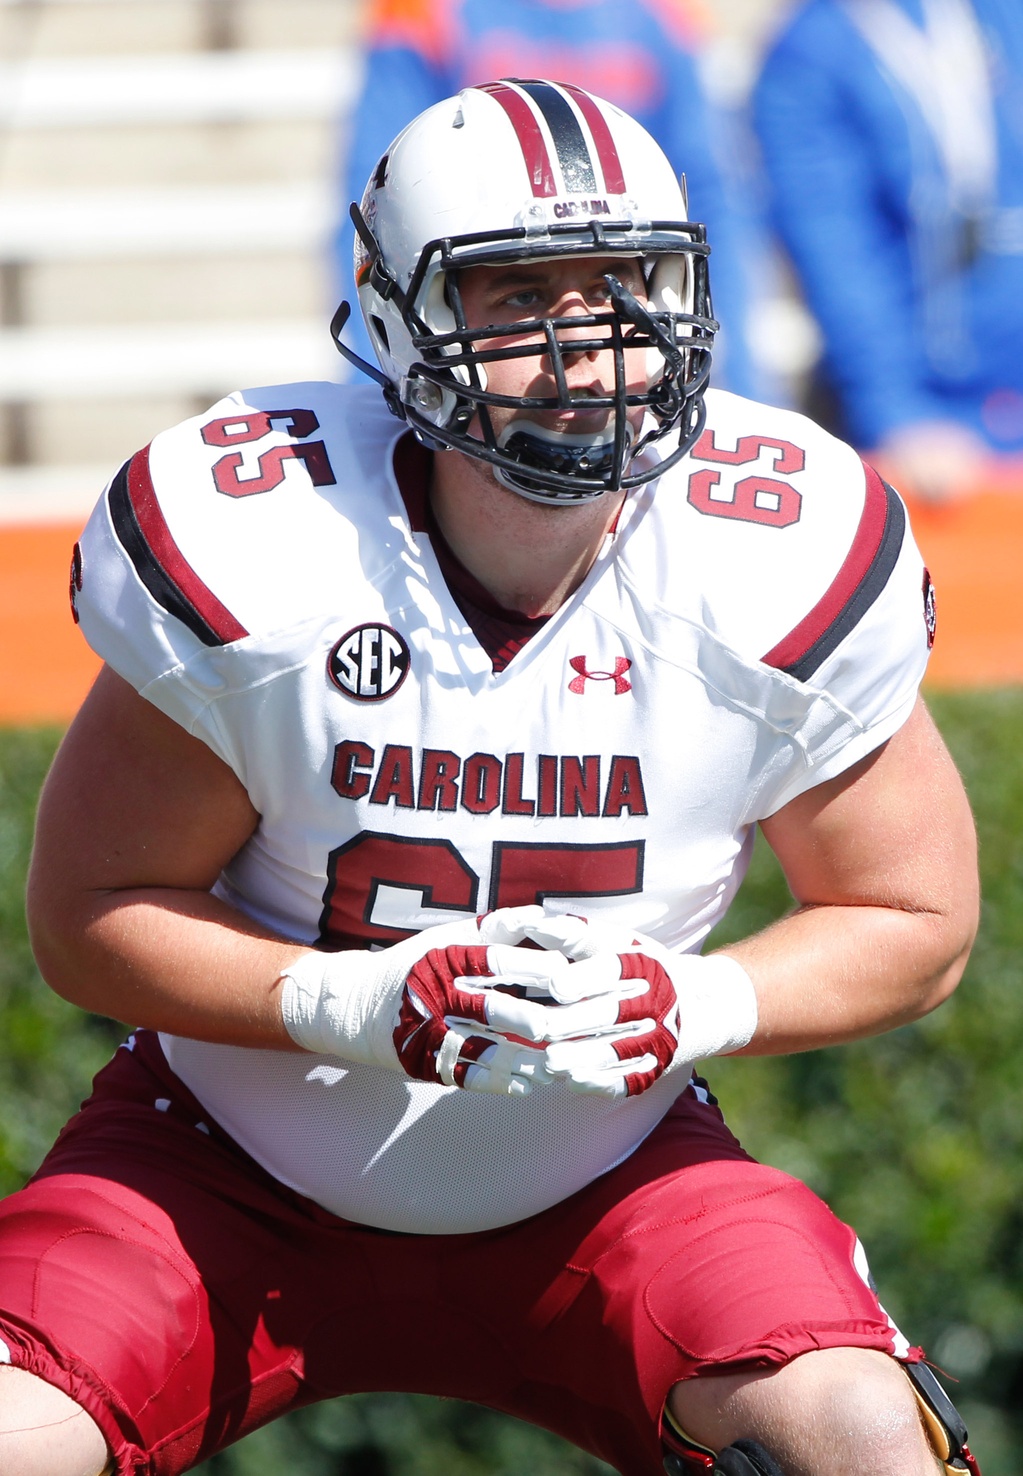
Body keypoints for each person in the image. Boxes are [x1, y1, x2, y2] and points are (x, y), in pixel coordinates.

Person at [1, 79, 981, 1476]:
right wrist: (346, 1000)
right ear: (398, 319)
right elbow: (89, 914)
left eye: (624, 284)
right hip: (219, 1165)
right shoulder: (270, 550)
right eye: (519, 295)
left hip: (605, 1166)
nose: (589, 345)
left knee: (862, 1442)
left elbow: (911, 919)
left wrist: (687, 1000)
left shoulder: (771, 553)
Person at [335, 0, 761, 397]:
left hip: (623, 266)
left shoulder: (664, 13)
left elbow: (707, 195)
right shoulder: (422, 13)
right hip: (488, 293)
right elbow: (384, 213)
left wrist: (736, 372)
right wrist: (394, 378)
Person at [753, 0, 1023, 503]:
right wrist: (899, 413)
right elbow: (835, 254)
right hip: (936, 439)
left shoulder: (1000, 17)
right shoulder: (816, 46)